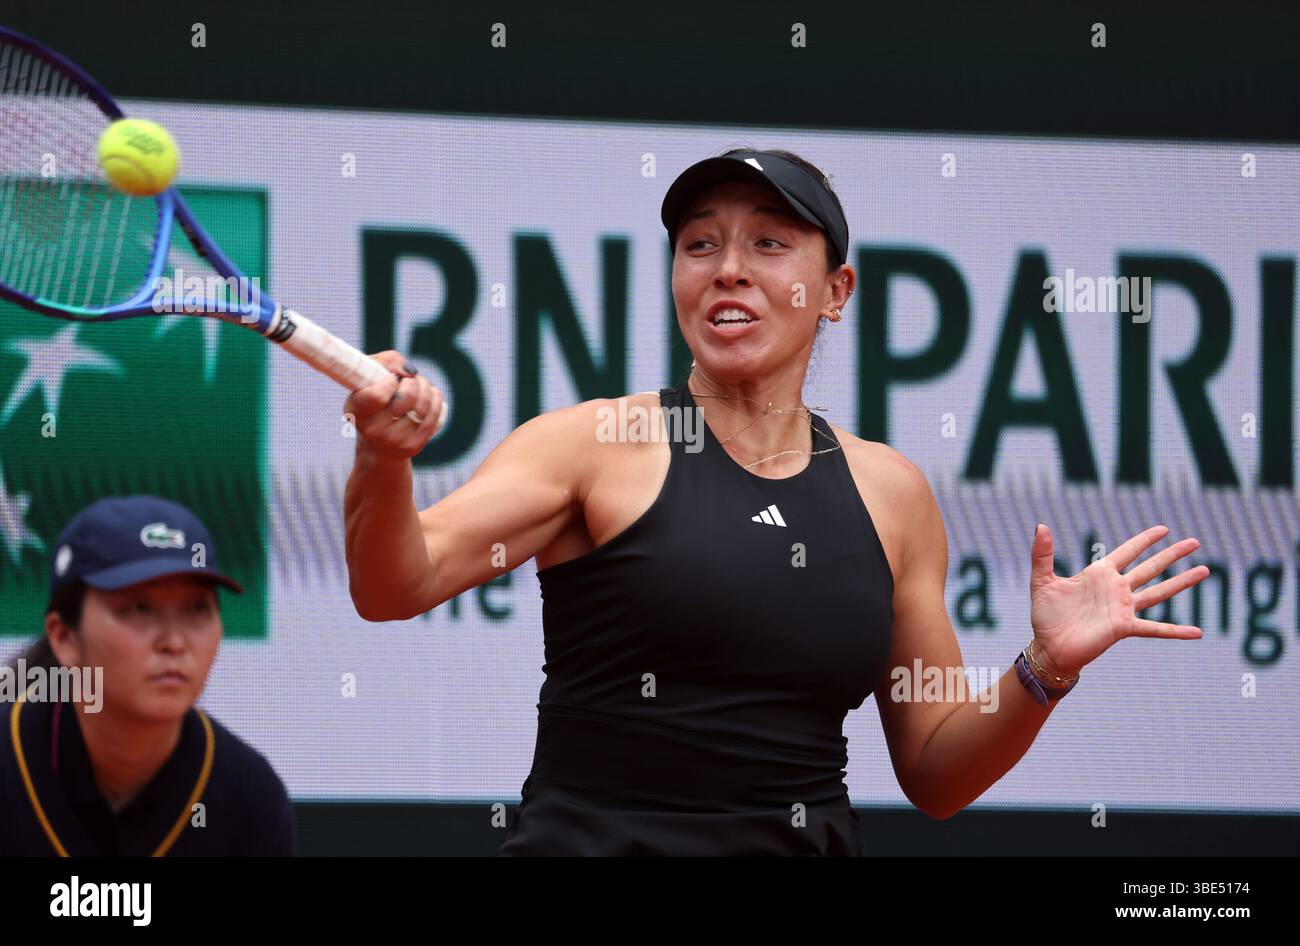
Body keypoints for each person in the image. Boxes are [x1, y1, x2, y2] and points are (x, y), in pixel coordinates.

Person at [342, 148, 1209, 855]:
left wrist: (1044, 668)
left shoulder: (893, 495)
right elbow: (394, 586)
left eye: (768, 243)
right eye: (700, 244)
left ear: (835, 291)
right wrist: (383, 457)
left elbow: (937, 772)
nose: (728, 270)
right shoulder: (587, 446)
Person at [0, 495, 296, 856]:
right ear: (64, 638)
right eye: (139, 608)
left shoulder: (248, 795)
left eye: (196, 608)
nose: (174, 642)